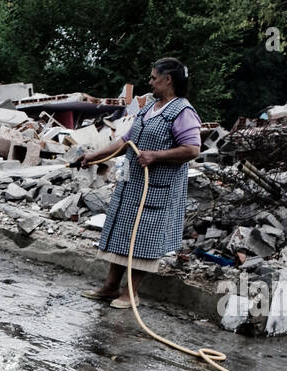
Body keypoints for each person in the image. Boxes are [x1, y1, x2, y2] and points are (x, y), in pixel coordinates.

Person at [77, 58, 202, 307]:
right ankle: (110, 286)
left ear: (168, 80)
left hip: (158, 188)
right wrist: (94, 156)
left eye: (154, 77)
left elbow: (192, 149)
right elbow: (126, 140)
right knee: (123, 233)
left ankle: (130, 293)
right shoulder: (150, 107)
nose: (150, 82)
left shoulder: (183, 112)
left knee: (143, 239)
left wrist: (156, 156)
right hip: (133, 184)